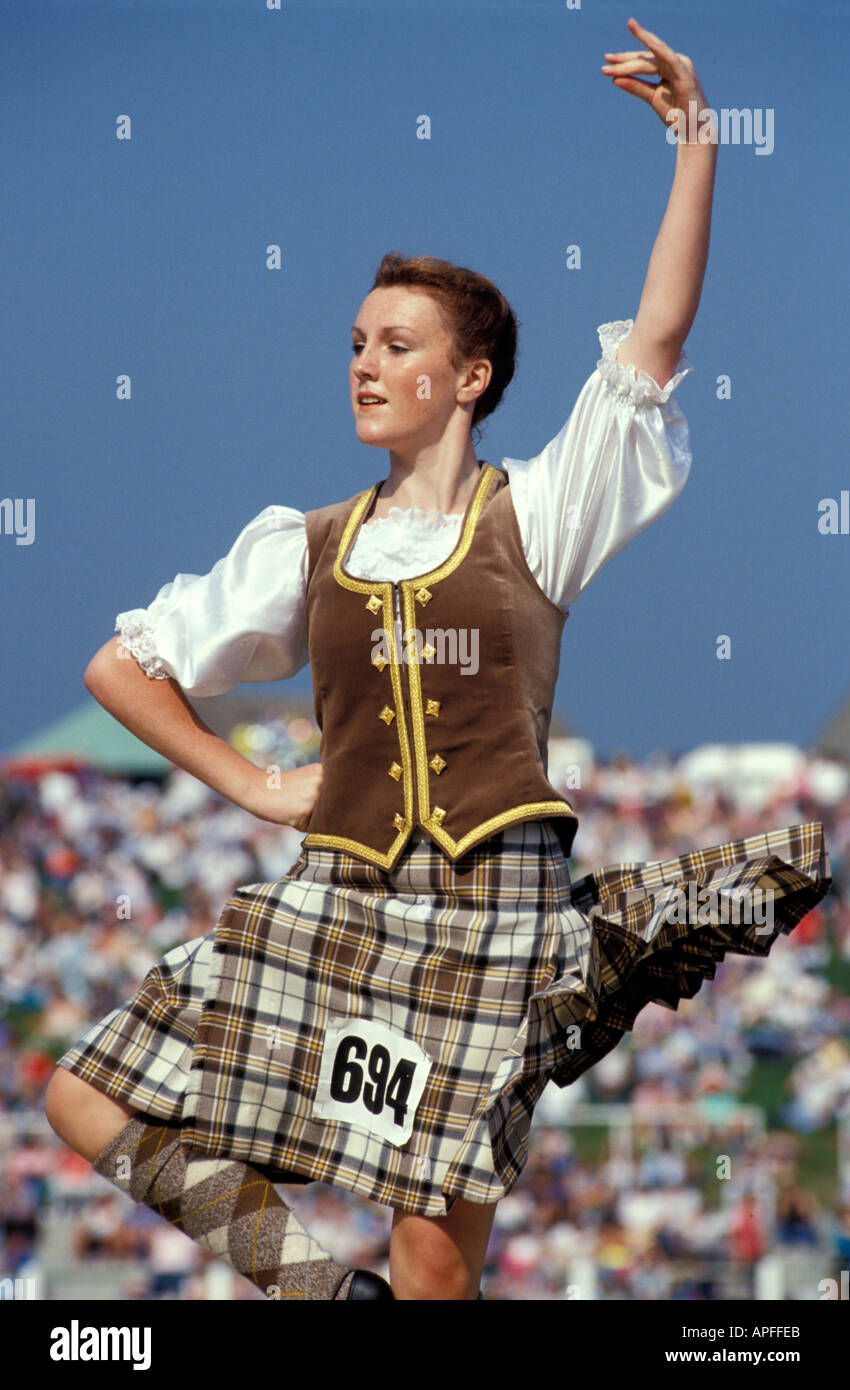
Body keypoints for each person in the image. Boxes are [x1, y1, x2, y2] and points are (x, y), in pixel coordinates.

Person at [44, 19, 830, 1301]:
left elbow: (654, 344)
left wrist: (696, 146)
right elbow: (121, 668)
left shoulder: (543, 515)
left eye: (395, 344)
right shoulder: (304, 544)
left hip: (489, 908)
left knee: (430, 1253)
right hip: (339, 894)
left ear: (467, 377)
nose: (364, 362)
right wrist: (249, 784)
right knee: (85, 1099)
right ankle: (313, 1292)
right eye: (357, 341)